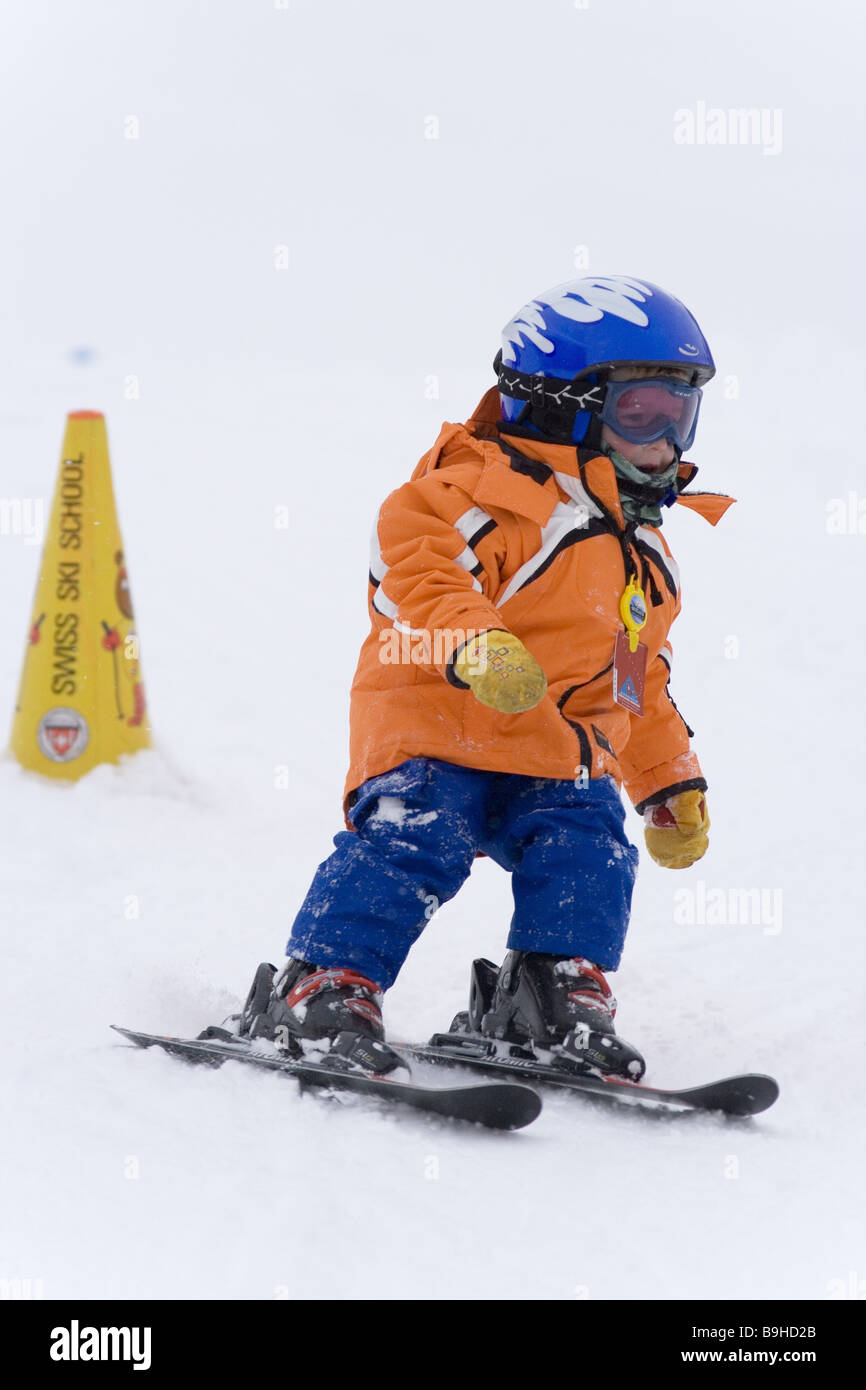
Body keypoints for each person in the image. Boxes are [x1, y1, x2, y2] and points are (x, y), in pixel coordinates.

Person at [240, 275, 734, 1077]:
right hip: (436, 734)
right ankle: (326, 981)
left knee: (592, 845)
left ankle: (551, 988)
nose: (665, 441)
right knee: (416, 838)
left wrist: (668, 782)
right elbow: (417, 581)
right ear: (559, 403)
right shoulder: (463, 498)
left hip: (552, 752)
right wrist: (478, 645)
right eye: (639, 411)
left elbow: (635, 687)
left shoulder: (643, 558)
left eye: (681, 417)